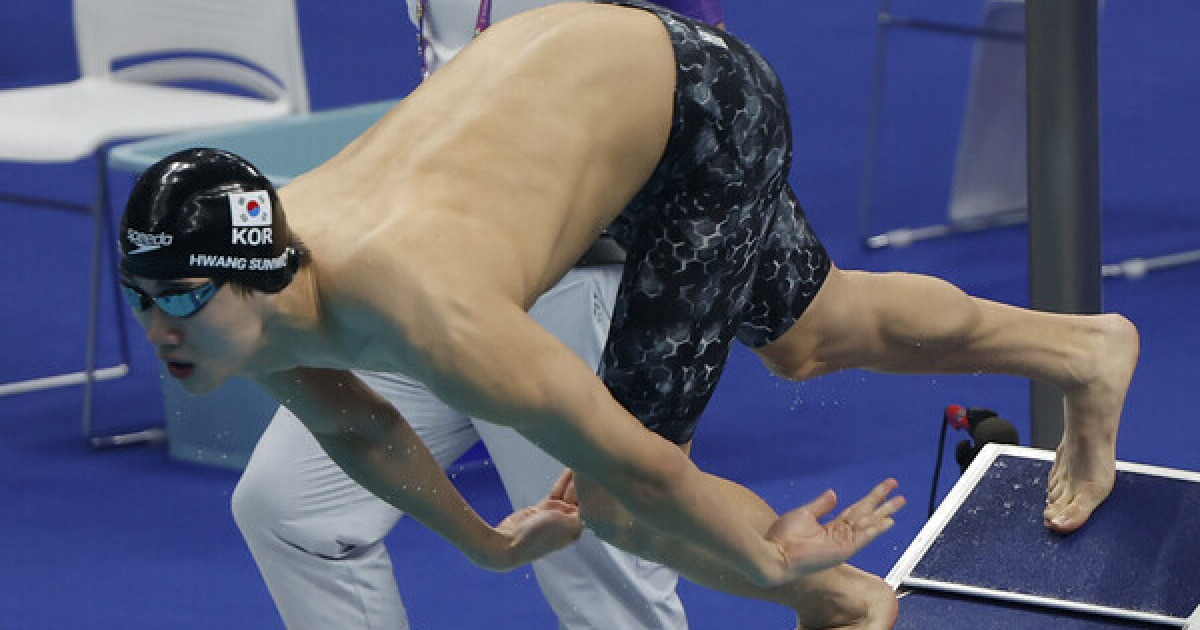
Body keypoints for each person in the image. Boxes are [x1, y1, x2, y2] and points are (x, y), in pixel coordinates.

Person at [117, 2, 1137, 627]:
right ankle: (1085, 349)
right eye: (146, 299)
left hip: (695, 115)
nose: (159, 328)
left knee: (613, 505)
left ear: (252, 278)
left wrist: (768, 558)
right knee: (814, 334)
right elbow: (353, 420)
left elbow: (641, 467)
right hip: (592, 93)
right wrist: (483, 542)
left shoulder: (434, 315)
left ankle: (840, 598)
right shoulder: (244, 302)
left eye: (181, 299)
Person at [230, 2, 724, 629]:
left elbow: (708, 99)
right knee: (288, 509)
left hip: (568, 274)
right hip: (422, 276)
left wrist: (680, 319)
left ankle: (830, 595)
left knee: (598, 556)